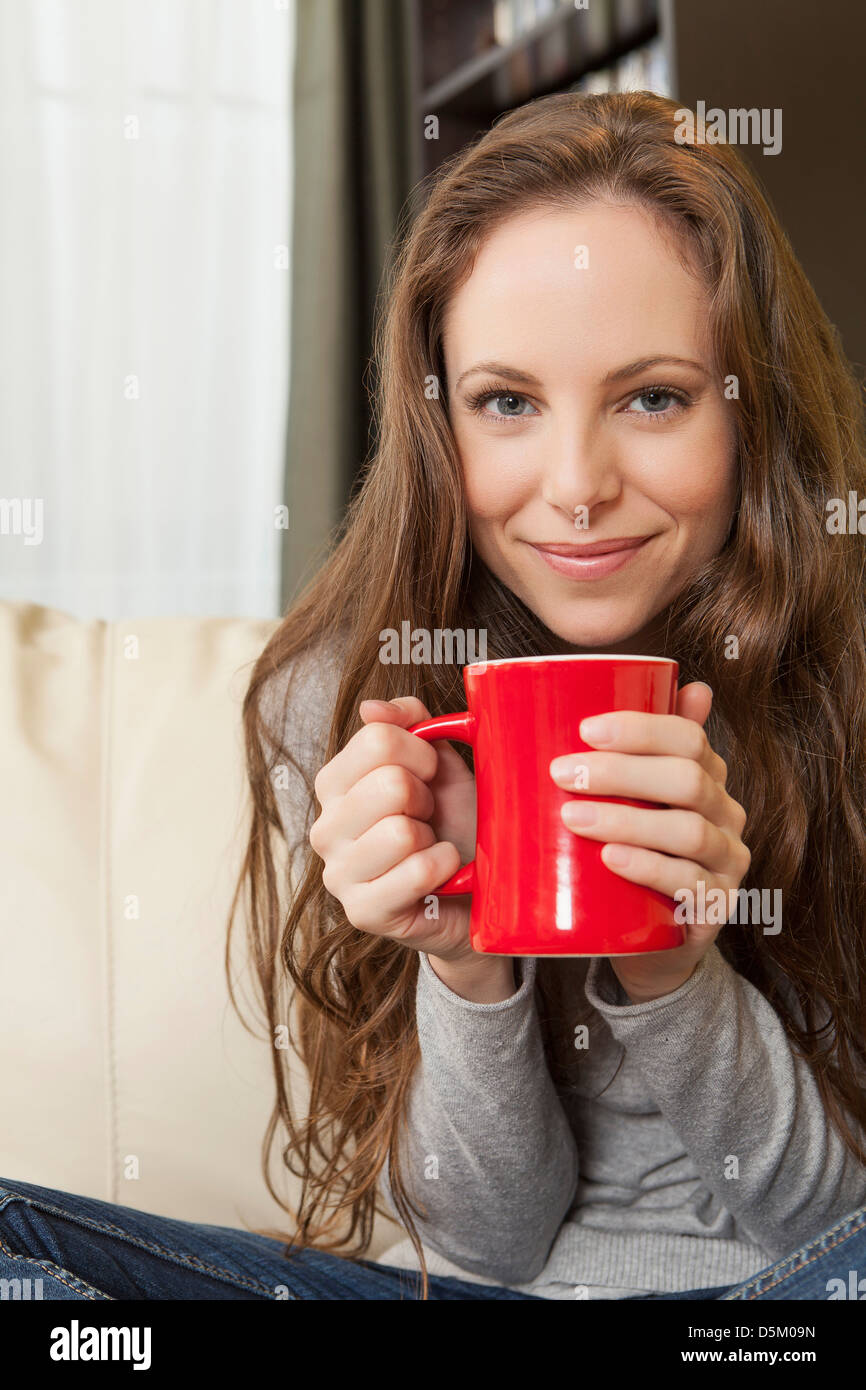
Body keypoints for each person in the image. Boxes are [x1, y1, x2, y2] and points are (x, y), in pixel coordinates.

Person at [3, 90, 865, 1302]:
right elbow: (487, 1239)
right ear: (435, 422)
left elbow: (829, 1220)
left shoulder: (843, 683)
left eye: (653, 397)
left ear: (751, 411)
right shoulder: (343, 694)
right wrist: (461, 969)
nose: (573, 486)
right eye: (505, 402)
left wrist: (673, 965)